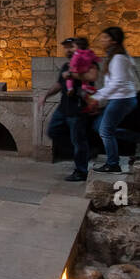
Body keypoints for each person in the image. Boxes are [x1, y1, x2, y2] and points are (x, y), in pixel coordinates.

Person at [84, 26, 140, 172]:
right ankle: (138, 138)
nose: (101, 40)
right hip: (120, 98)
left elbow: (117, 83)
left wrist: (96, 97)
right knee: (99, 126)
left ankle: (113, 164)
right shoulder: (118, 56)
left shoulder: (118, 58)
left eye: (105, 37)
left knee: (105, 131)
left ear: (114, 41)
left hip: (122, 99)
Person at [38, 36, 98, 181]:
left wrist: (71, 74)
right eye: (66, 47)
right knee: (53, 131)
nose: (68, 50)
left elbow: (91, 76)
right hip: (63, 108)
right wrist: (46, 95)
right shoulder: (66, 65)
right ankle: (85, 152)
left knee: (78, 140)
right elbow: (60, 84)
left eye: (71, 46)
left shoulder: (89, 63)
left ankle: (81, 171)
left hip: (77, 109)